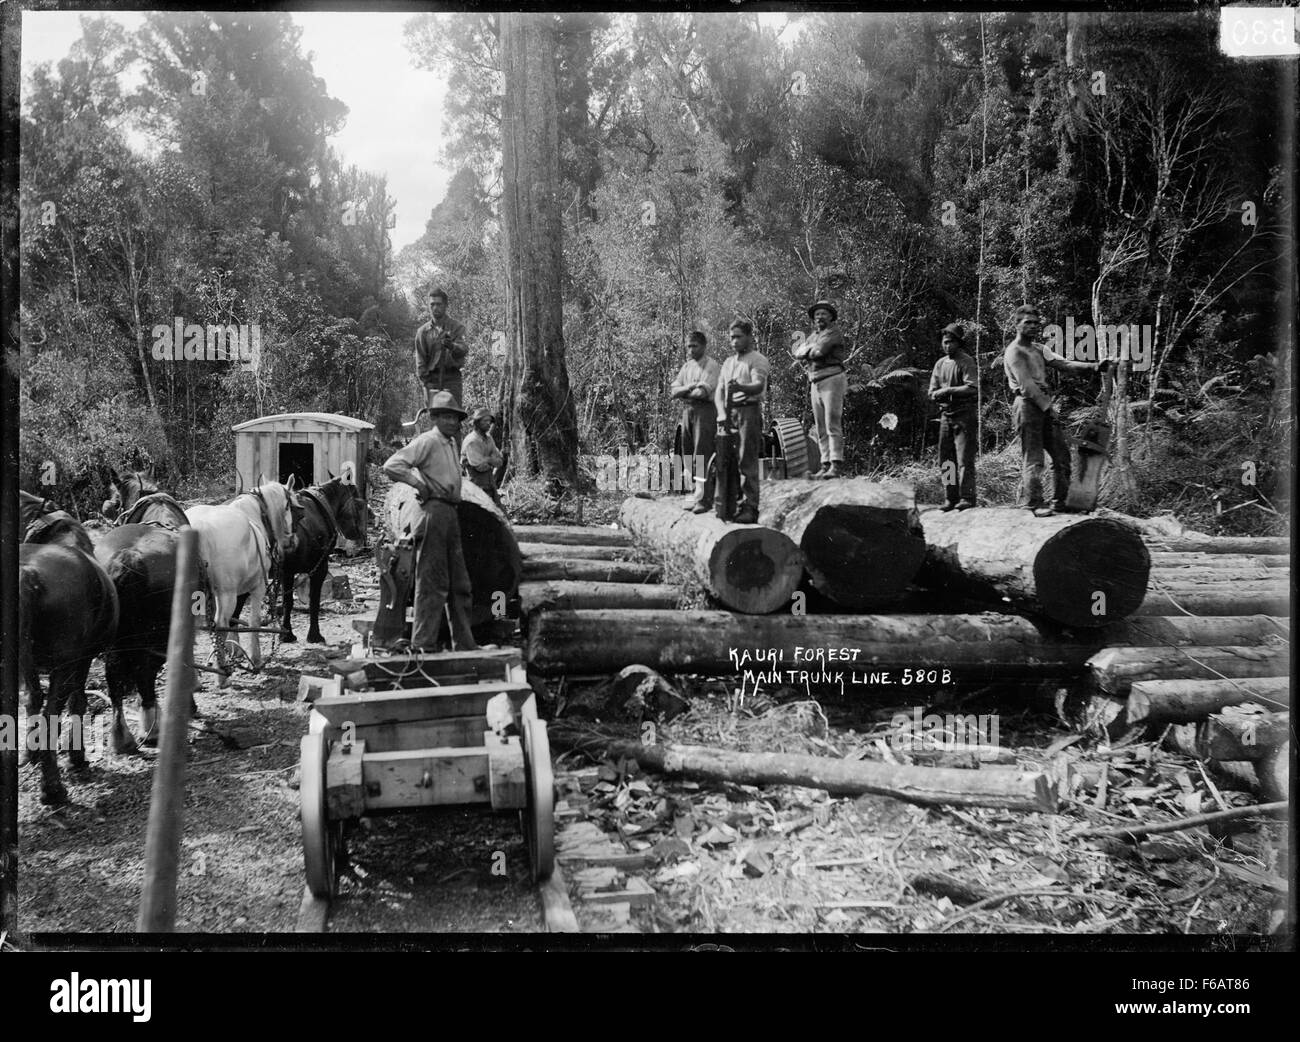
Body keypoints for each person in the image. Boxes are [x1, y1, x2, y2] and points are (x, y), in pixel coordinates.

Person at [382, 391, 478, 652]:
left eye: (455, 418)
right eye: (445, 417)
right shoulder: (428, 441)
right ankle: (423, 643)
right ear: (434, 418)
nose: (452, 422)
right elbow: (393, 465)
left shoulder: (450, 443)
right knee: (432, 581)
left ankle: (465, 644)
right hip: (432, 513)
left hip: (450, 513)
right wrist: (417, 483)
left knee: (460, 583)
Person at [1004, 304, 1109, 517]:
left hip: (1043, 406)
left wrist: (1095, 366)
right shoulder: (1014, 352)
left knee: (1061, 456)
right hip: (1027, 406)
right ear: (1017, 325)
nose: (1033, 326)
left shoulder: (1039, 349)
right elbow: (1027, 386)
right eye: (1027, 323)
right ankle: (1034, 503)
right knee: (1034, 457)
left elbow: (1065, 364)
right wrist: (1049, 408)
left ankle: (1061, 502)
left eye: (1036, 323)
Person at [697, 319, 769, 524]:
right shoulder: (728, 363)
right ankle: (729, 504)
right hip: (729, 414)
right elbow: (720, 390)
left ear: (749, 337)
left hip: (749, 411)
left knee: (747, 460)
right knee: (726, 460)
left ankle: (750, 507)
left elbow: (757, 385)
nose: (734, 341)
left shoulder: (757, 359)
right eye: (732, 338)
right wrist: (721, 415)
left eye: (738, 337)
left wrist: (741, 388)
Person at [793, 300, 849, 478]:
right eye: (817, 314)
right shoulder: (813, 336)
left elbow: (819, 353)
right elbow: (798, 353)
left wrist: (807, 351)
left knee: (832, 422)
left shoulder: (833, 332)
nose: (819, 317)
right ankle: (825, 465)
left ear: (831, 316)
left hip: (832, 379)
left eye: (823, 314)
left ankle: (836, 465)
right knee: (820, 426)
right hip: (815, 382)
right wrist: (808, 349)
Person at [929, 323, 979, 510]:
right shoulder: (940, 364)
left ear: (958, 343)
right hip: (946, 415)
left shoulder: (966, 361)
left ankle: (967, 497)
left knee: (964, 459)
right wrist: (936, 394)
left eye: (951, 342)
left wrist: (948, 390)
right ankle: (950, 497)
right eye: (945, 342)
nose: (947, 346)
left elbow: (972, 387)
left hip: (964, 414)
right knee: (946, 459)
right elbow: (932, 390)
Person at [670, 330, 721, 511]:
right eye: (689, 346)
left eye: (695, 346)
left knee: (702, 453)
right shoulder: (687, 366)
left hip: (705, 412)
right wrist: (690, 386)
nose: (691, 350)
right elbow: (673, 391)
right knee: (688, 453)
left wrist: (684, 390)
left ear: (704, 346)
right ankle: (691, 495)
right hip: (688, 412)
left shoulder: (711, 365)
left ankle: (704, 499)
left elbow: (703, 392)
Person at [415, 288, 469, 411]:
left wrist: (452, 346)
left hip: (452, 380)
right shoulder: (423, 332)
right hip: (431, 382)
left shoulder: (456, 327)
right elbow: (420, 361)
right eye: (432, 304)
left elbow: (463, 348)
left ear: (445, 305)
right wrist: (426, 383)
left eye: (438, 304)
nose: (435, 308)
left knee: (453, 417)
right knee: (435, 420)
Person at [462, 407, 505, 509]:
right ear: (477, 423)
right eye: (485, 421)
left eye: (490, 421)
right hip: (475, 486)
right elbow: (480, 467)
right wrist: (491, 459)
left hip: (490, 484)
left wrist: (487, 459)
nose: (488, 424)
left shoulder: (489, 438)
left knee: (498, 514)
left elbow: (499, 461)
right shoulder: (472, 441)